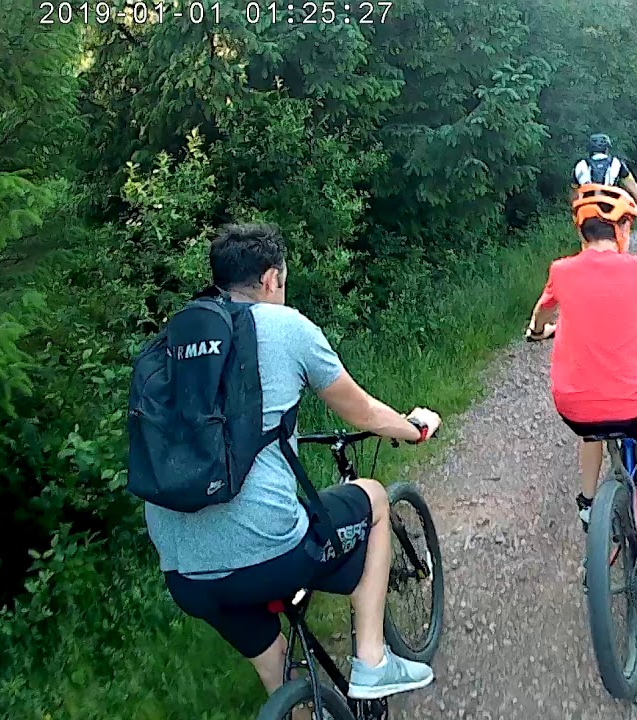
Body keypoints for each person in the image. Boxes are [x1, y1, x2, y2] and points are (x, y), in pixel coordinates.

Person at [143, 223, 443, 702]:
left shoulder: (175, 342)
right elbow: (360, 410)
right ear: (268, 279)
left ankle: (297, 704)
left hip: (184, 572)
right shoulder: (286, 327)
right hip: (268, 553)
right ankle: (372, 661)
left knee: (277, 671)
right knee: (375, 500)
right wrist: (413, 428)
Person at [525, 184, 637, 557]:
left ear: (581, 232)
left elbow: (542, 313)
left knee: (590, 434)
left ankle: (589, 504)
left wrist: (538, 332)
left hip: (573, 406)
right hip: (631, 405)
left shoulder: (561, 271)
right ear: (622, 228)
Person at [572, 132, 637, 208]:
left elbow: (574, 193)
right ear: (606, 149)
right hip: (610, 206)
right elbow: (631, 185)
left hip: (586, 207)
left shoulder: (580, 165)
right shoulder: (616, 163)